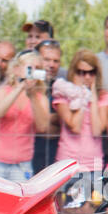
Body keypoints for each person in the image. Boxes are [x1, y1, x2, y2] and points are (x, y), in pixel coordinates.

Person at [0, 49, 51, 181]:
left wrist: (32, 96)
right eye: (30, 68)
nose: (33, 72)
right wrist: (20, 88)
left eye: (38, 68)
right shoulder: (1, 90)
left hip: (21, 166)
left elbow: (42, 127)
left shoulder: (40, 98)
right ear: (16, 69)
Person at [52, 49, 108, 202]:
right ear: (73, 72)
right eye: (81, 72)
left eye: (91, 72)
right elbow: (75, 126)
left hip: (93, 165)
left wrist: (91, 97)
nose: (86, 77)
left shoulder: (103, 96)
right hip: (67, 164)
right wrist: (81, 96)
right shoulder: (62, 93)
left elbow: (98, 130)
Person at [31, 39, 64, 175]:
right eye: (47, 60)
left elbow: (66, 125)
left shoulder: (63, 87)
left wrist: (44, 119)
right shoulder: (28, 85)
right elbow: (35, 125)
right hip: (28, 156)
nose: (51, 65)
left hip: (54, 157)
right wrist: (54, 118)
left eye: (56, 61)